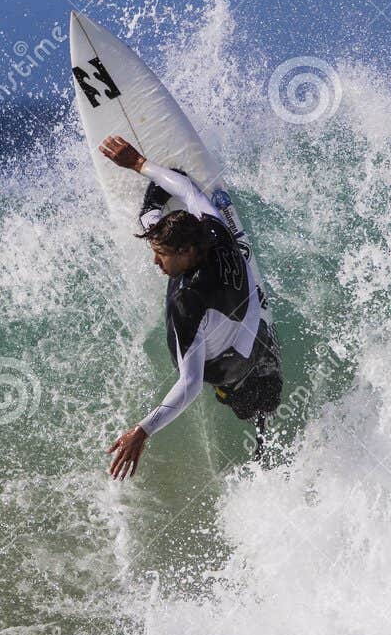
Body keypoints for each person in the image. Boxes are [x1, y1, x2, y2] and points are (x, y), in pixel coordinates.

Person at [99, 135, 282, 481]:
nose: (155, 262)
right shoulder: (215, 229)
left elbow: (190, 383)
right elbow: (187, 189)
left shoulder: (188, 302)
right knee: (267, 394)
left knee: (240, 398)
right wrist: (139, 163)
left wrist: (142, 430)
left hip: (226, 367)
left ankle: (150, 215)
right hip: (252, 332)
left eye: (161, 255)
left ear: (187, 253)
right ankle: (263, 424)